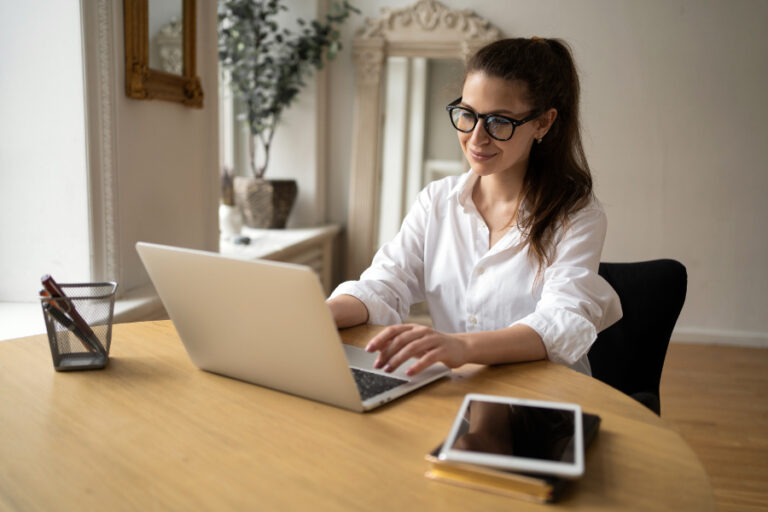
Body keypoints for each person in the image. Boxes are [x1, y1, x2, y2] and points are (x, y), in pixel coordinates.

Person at [327, 37, 622, 377]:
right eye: (467, 114)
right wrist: (322, 314)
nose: (476, 138)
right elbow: (384, 285)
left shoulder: (576, 214)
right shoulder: (437, 200)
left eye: (499, 121)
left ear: (543, 123)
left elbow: (563, 321)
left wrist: (462, 347)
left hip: (539, 397)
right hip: (459, 387)